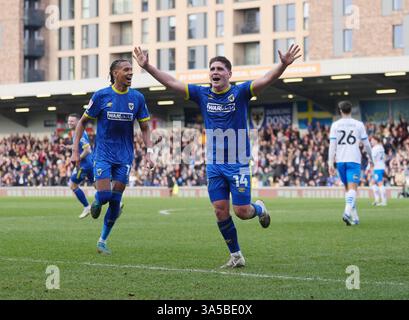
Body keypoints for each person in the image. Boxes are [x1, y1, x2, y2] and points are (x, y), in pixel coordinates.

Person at [134, 44, 301, 268]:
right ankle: (236, 256)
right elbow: (172, 82)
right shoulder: (201, 94)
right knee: (220, 210)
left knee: (242, 211)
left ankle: (259, 208)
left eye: (220, 68)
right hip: (214, 163)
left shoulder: (240, 92)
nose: (215, 72)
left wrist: (282, 64)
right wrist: (148, 67)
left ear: (229, 74)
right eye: (212, 68)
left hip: (238, 162)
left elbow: (266, 79)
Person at [71, 59, 154, 255]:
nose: (131, 73)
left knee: (116, 202)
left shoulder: (138, 98)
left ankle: (102, 240)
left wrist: (149, 152)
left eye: (132, 70)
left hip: (125, 157)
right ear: (115, 73)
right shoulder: (102, 96)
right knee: (106, 196)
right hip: (103, 155)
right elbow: (82, 123)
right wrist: (75, 150)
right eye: (126, 70)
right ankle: (98, 200)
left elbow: (144, 127)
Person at [328, 101, 374, 226]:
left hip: (340, 160)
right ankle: (347, 213)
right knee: (353, 188)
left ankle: (355, 217)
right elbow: (367, 144)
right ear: (351, 110)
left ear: (340, 111)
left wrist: (330, 163)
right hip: (354, 159)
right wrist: (371, 157)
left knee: (348, 189)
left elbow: (332, 146)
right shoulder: (358, 124)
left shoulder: (335, 125)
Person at [64, 113, 94, 219]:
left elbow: (87, 149)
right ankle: (117, 202)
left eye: (72, 121)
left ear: (78, 121)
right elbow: (80, 145)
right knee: (98, 186)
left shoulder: (78, 133)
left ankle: (87, 207)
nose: (69, 123)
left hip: (84, 165)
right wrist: (69, 147)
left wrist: (78, 158)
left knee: (73, 185)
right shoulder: (77, 132)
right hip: (90, 163)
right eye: (68, 121)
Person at [368, 136, 387, 206]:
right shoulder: (381, 147)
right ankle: (377, 200)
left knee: (380, 183)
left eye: (372, 140)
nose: (371, 142)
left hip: (377, 167)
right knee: (373, 183)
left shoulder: (375, 148)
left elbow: (372, 159)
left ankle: (384, 201)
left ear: (376, 140)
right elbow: (384, 157)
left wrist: (369, 168)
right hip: (381, 166)